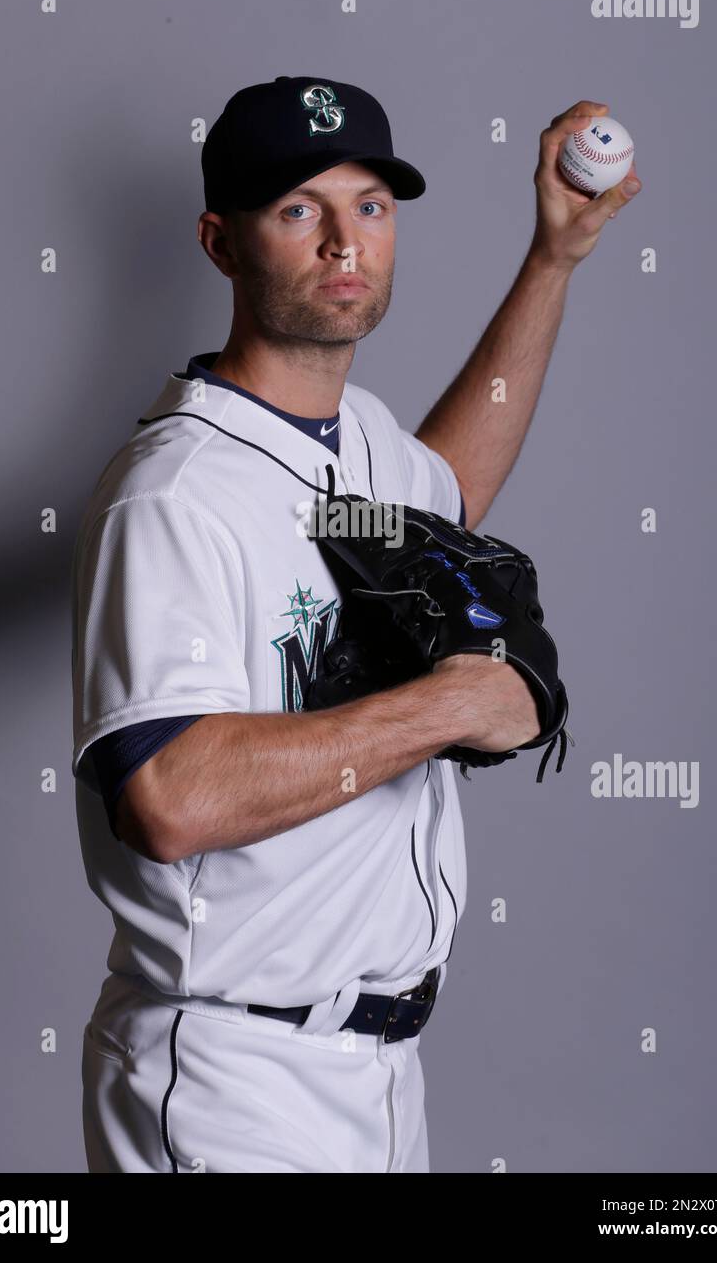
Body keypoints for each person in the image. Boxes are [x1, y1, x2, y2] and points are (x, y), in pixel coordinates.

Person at [70, 75, 641, 1174]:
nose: (344, 240)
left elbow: (446, 491)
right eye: (298, 210)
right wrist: (442, 705)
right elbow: (169, 798)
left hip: (375, 1076)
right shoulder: (176, 493)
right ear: (219, 241)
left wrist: (552, 259)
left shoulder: (359, 441)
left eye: (369, 206)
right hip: (231, 1077)